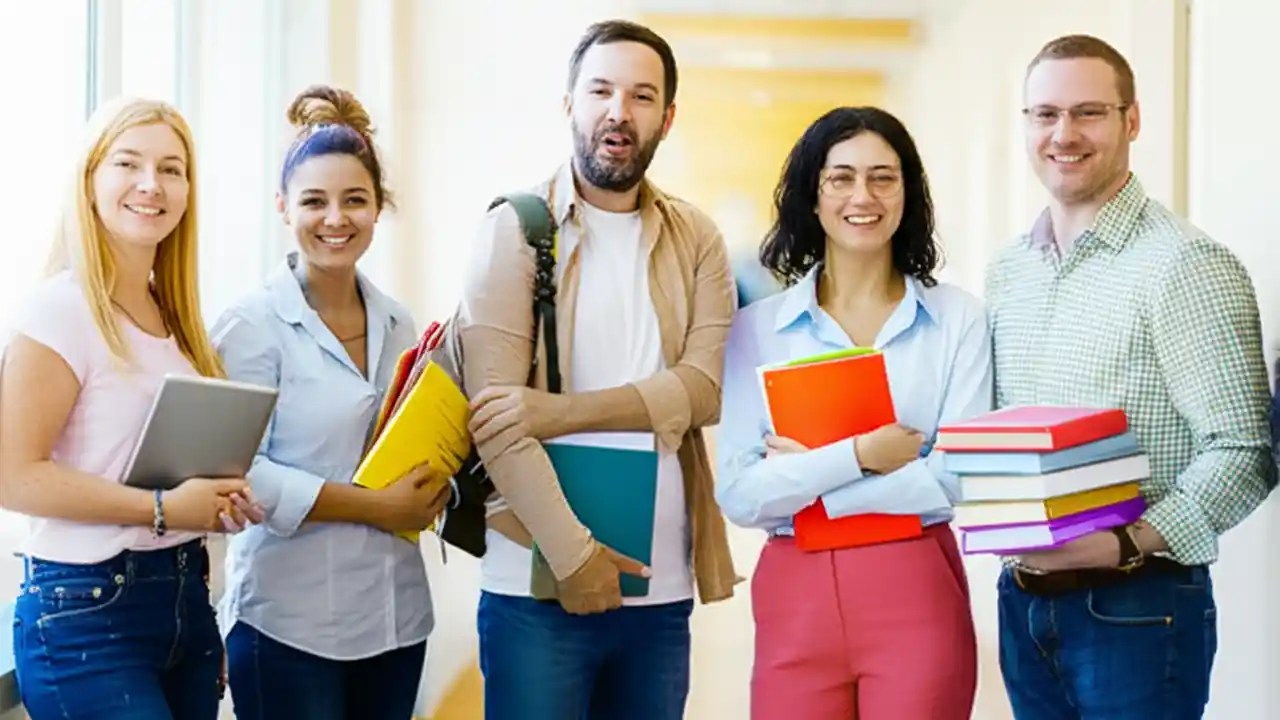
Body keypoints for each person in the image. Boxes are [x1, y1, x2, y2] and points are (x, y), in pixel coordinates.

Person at [455, 19, 738, 720]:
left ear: (666, 119)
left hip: (661, 588)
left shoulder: (695, 237)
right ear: (570, 105)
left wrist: (562, 411)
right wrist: (574, 556)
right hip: (535, 588)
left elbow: (702, 392)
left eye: (642, 97)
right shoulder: (515, 230)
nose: (619, 111)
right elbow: (495, 421)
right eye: (601, 90)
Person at [987, 34, 1273, 719]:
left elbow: (1246, 450)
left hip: (1138, 607)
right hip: (1022, 607)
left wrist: (1126, 540)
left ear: (1132, 121)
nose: (1063, 134)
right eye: (1044, 114)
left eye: (1088, 112)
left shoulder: (1185, 265)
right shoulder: (1009, 272)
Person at [715, 106, 986, 720]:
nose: (862, 196)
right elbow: (739, 494)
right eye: (841, 178)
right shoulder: (758, 331)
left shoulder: (958, 320)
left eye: (883, 177)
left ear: (907, 193)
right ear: (812, 195)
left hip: (915, 586)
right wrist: (860, 456)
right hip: (795, 593)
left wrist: (810, 481)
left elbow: (956, 477)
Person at [0, 96, 264, 720]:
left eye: (172, 169)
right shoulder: (58, 310)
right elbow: (13, 475)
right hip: (86, 613)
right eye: (129, 163)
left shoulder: (176, 322)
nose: (153, 185)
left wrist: (215, 502)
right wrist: (163, 508)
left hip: (182, 603)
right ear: (90, 180)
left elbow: (149, 468)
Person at [211, 85, 448, 720]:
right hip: (288, 628)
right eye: (314, 201)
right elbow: (237, 471)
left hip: (395, 620)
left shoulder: (402, 324)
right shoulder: (251, 326)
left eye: (355, 201)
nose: (335, 219)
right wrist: (375, 506)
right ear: (284, 206)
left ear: (379, 208)